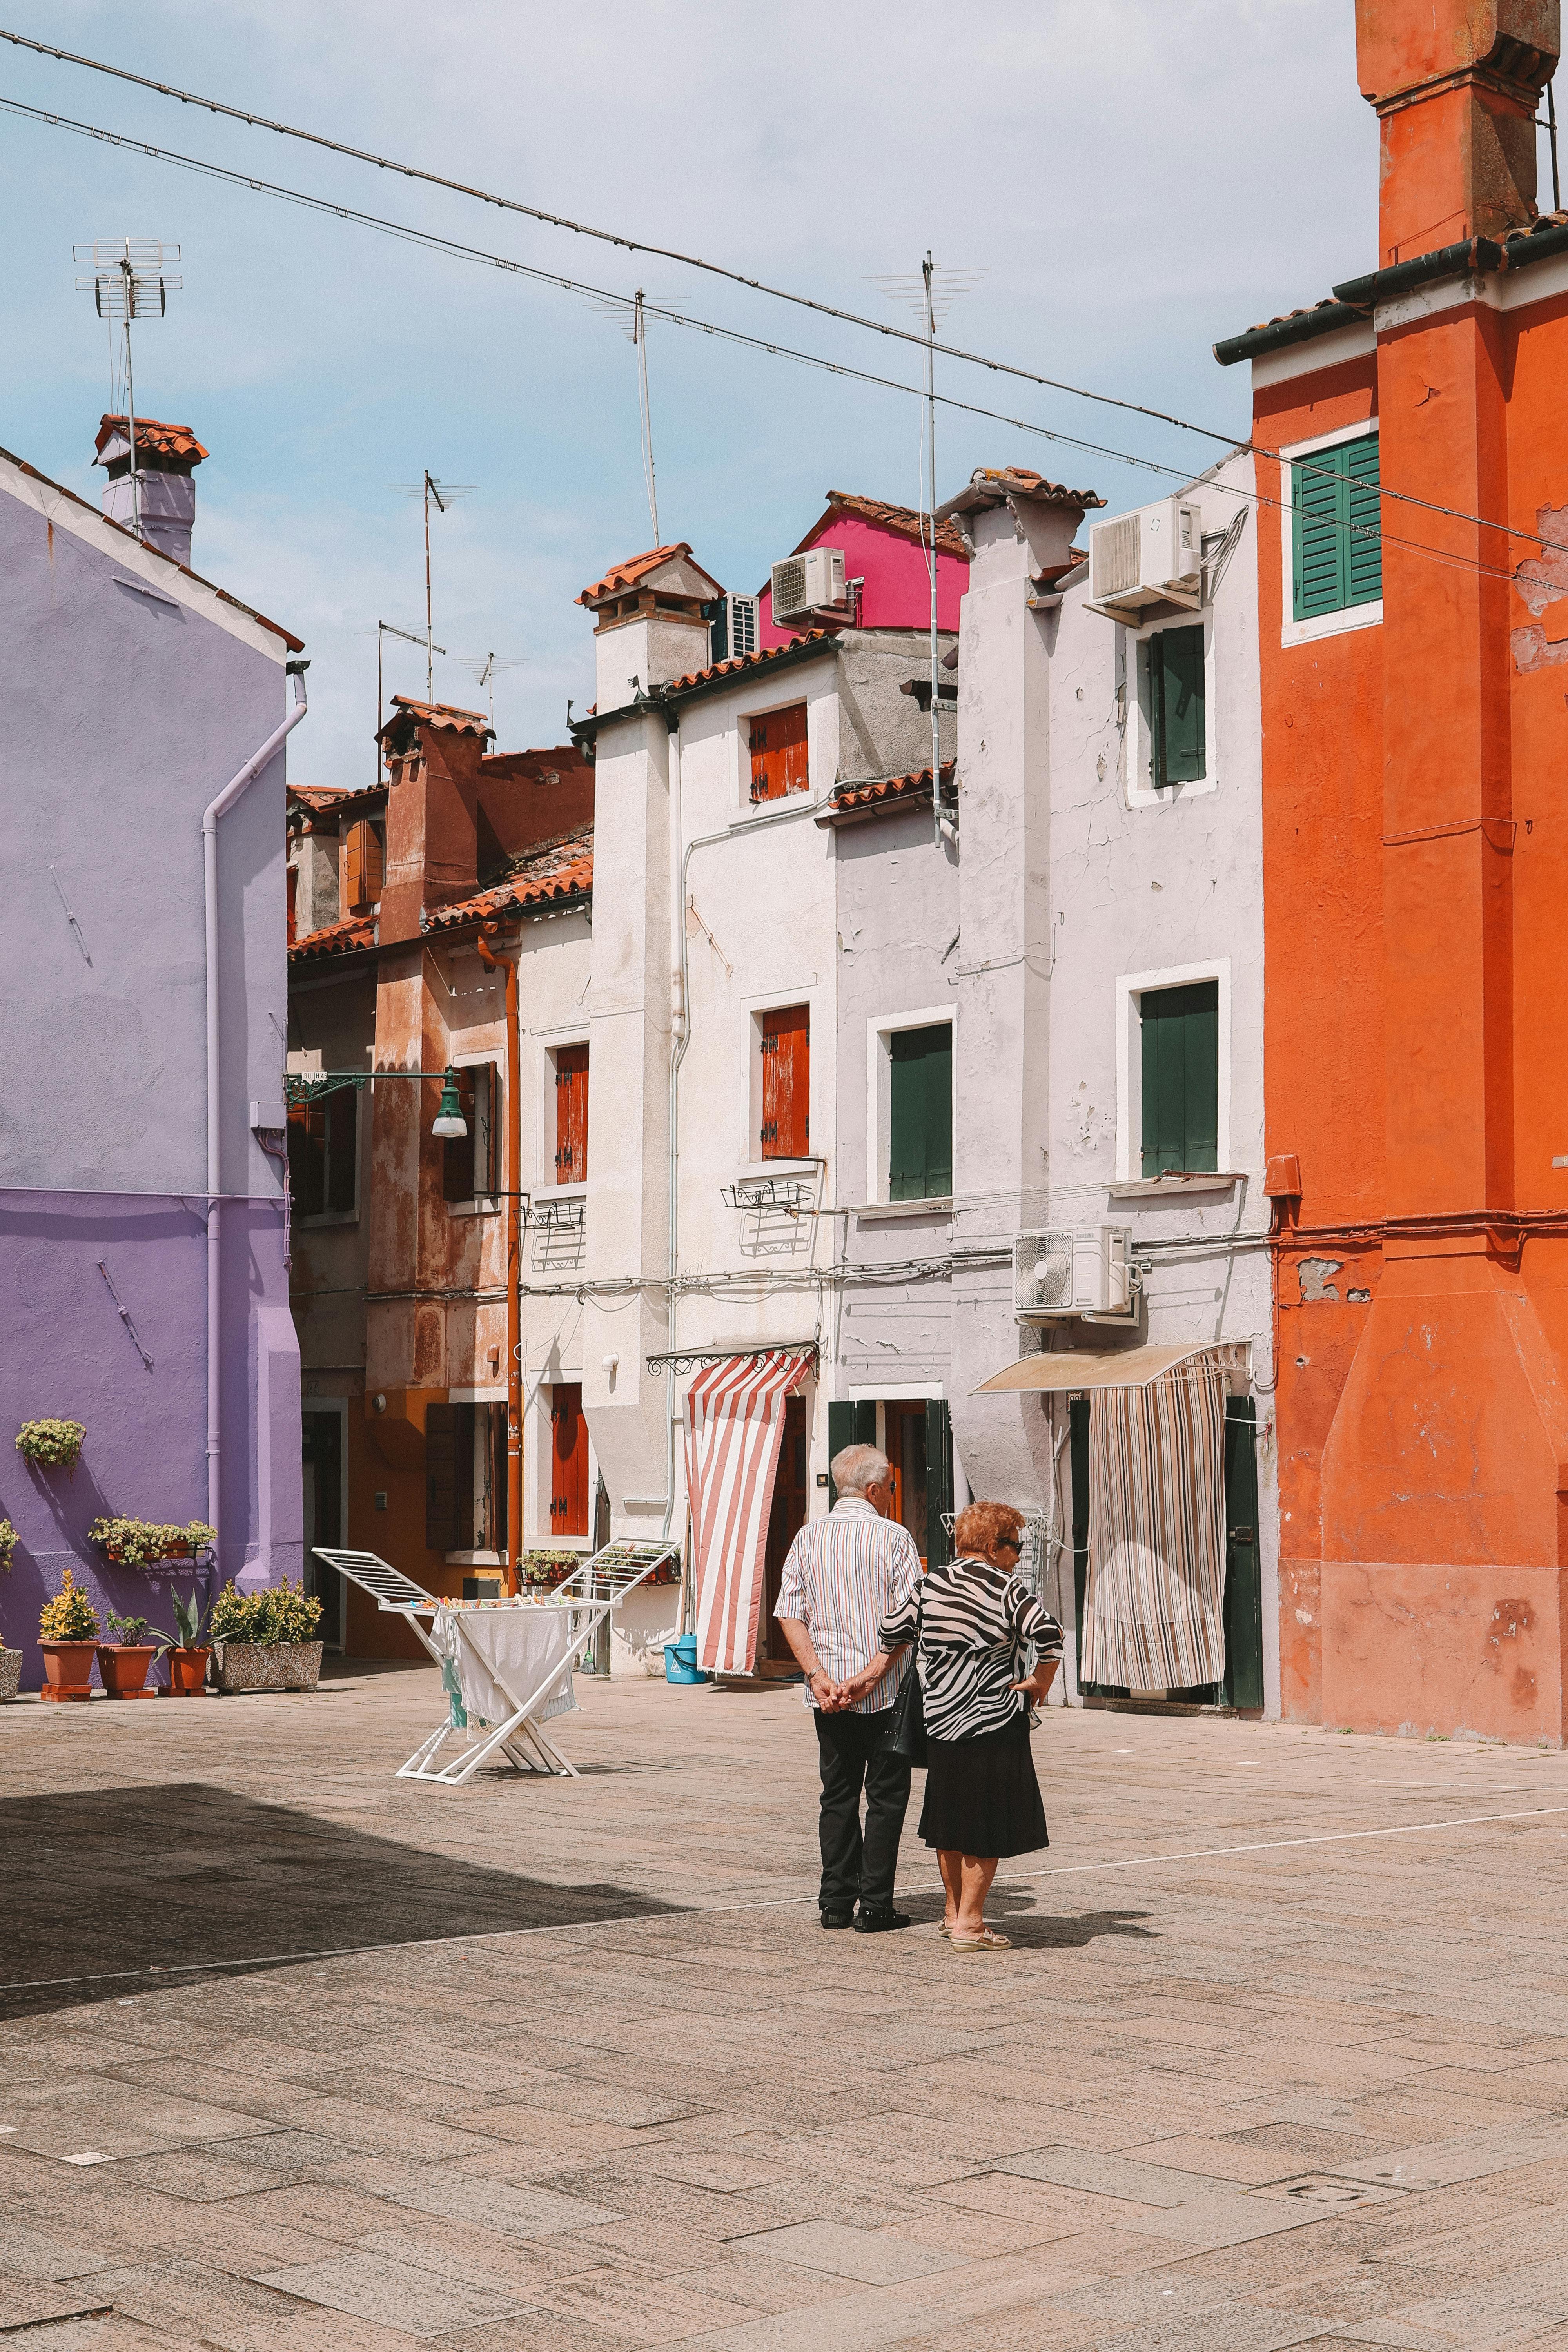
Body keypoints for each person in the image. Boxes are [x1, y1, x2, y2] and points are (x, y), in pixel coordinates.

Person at [880, 1500, 1062, 1953]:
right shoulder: (1006, 1589)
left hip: (940, 1722)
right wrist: (1041, 1681)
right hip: (993, 1721)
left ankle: (951, 1914)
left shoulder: (929, 1585)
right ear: (993, 1547)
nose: (1017, 1556)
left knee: (949, 1821)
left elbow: (890, 1630)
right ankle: (972, 1924)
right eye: (1015, 1546)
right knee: (986, 1823)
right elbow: (1049, 1634)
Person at [774, 1442, 922, 1933]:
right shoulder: (894, 1537)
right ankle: (875, 1905)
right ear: (874, 1490)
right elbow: (909, 1618)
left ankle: (835, 1903)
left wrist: (818, 1676)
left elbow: (789, 1612)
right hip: (885, 1690)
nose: (891, 1495)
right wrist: (872, 1675)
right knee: (885, 1798)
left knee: (837, 1794)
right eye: (891, 1488)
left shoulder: (808, 1537)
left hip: (828, 1692)